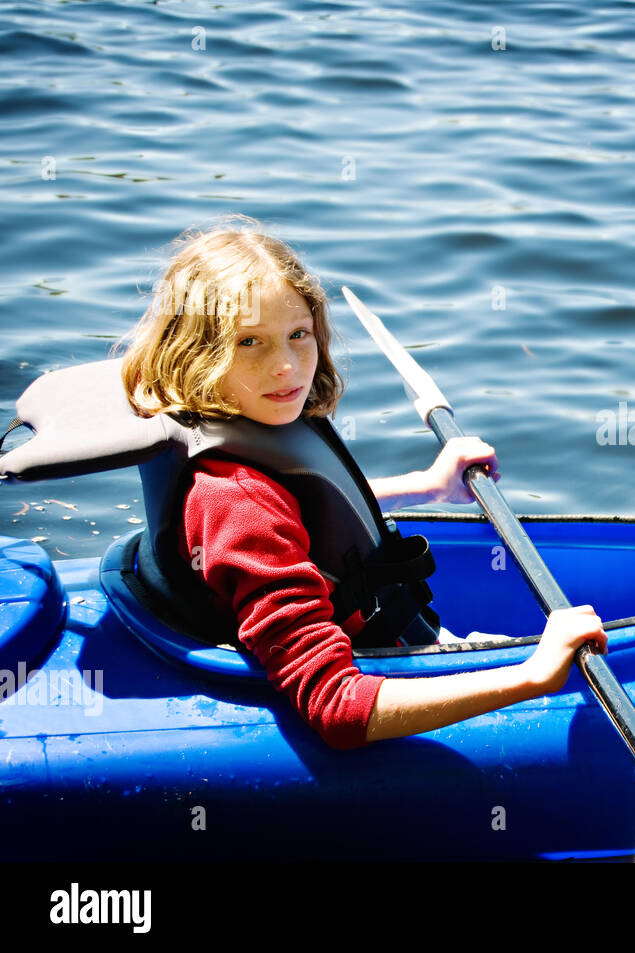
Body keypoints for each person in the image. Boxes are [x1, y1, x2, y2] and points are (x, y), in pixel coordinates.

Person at [116, 215, 607, 749]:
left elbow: (300, 511)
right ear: (195, 354)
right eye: (250, 342)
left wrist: (428, 484)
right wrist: (532, 677)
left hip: (390, 640)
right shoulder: (233, 499)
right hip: (374, 683)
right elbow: (333, 705)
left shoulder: (238, 429)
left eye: (298, 335)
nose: (285, 366)